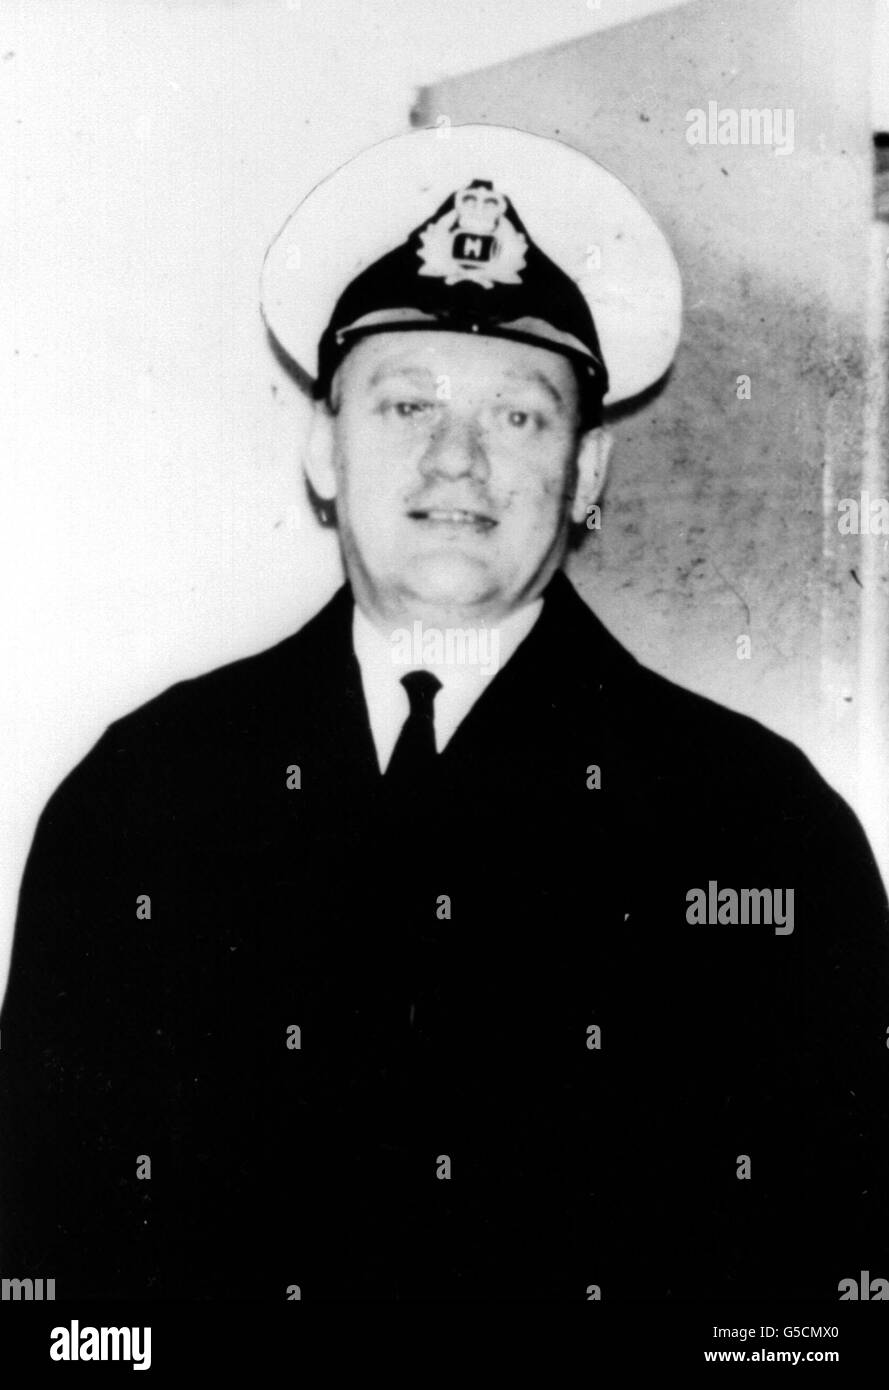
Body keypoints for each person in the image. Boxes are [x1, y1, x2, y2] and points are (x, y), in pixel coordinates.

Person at [1, 124, 887, 1302]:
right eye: (406, 405)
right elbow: (54, 1259)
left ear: (586, 475)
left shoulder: (755, 825)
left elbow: (819, 1288)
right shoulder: (142, 796)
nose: (456, 462)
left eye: (518, 417)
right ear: (323, 448)